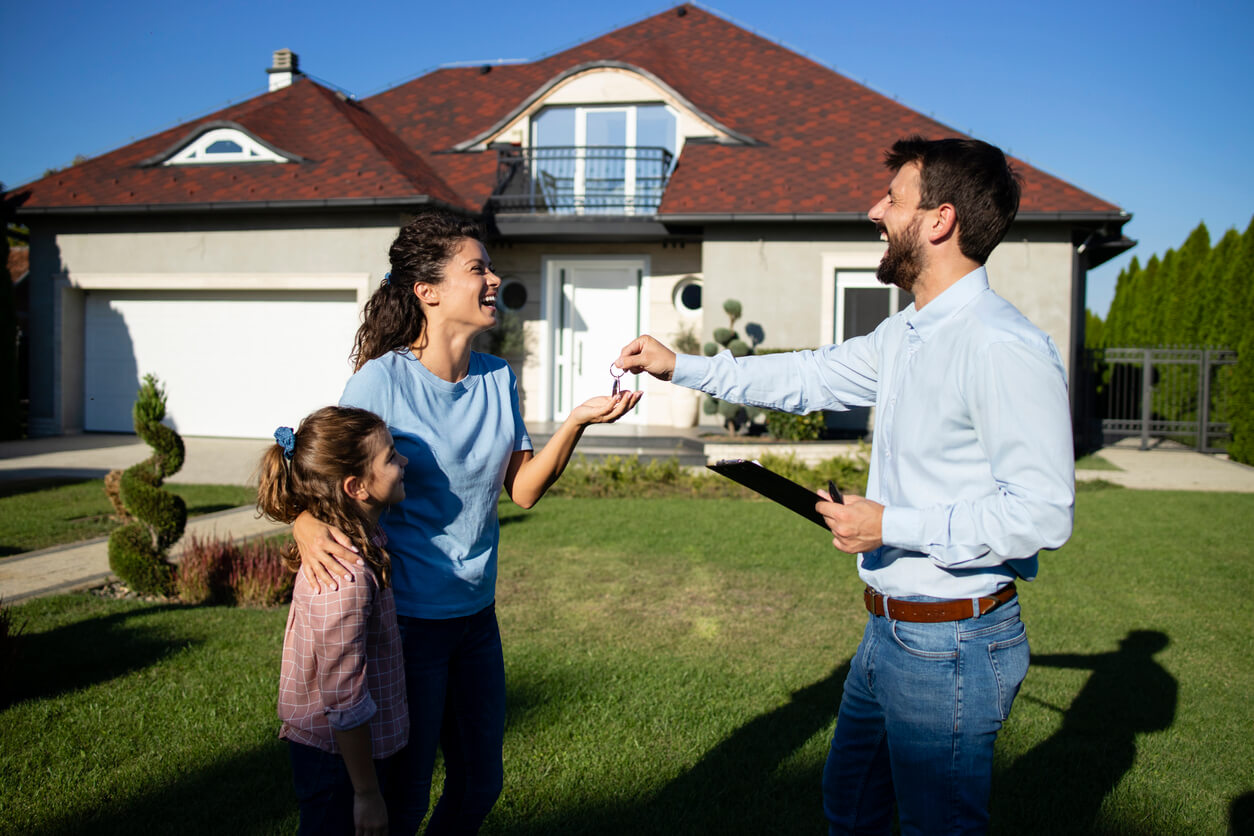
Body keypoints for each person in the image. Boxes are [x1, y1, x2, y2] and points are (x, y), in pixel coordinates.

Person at [616, 135, 1075, 835]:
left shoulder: (1001, 346)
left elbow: (1042, 514)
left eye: (893, 198)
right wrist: (682, 366)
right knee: (851, 808)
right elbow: (804, 377)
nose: (874, 211)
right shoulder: (906, 335)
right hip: (887, 631)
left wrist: (889, 525)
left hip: (951, 645)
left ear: (939, 220)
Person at [294, 210, 641, 835]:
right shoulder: (381, 380)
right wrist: (304, 525)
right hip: (407, 623)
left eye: (489, 267)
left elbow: (524, 489)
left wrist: (577, 423)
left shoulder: (496, 377)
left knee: (480, 784)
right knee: (405, 798)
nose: (492, 279)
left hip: (476, 619)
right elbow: (325, 470)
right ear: (426, 291)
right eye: (476, 268)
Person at [257, 405, 410, 836]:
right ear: (356, 487)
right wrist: (366, 793)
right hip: (340, 765)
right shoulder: (344, 576)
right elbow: (344, 700)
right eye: (392, 457)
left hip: (351, 758)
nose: (404, 463)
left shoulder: (361, 542)